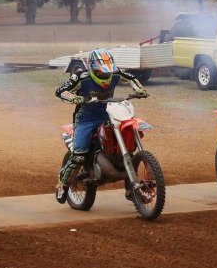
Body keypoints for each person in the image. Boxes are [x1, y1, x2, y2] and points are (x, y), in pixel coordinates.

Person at [54, 48, 147, 202]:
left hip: (110, 114)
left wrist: (139, 90)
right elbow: (60, 91)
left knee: (126, 148)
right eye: (101, 73)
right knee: (79, 156)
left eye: (107, 73)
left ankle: (131, 190)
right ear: (92, 68)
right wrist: (75, 98)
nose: (105, 76)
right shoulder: (81, 77)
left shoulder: (116, 73)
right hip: (86, 119)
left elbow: (131, 78)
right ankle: (63, 185)